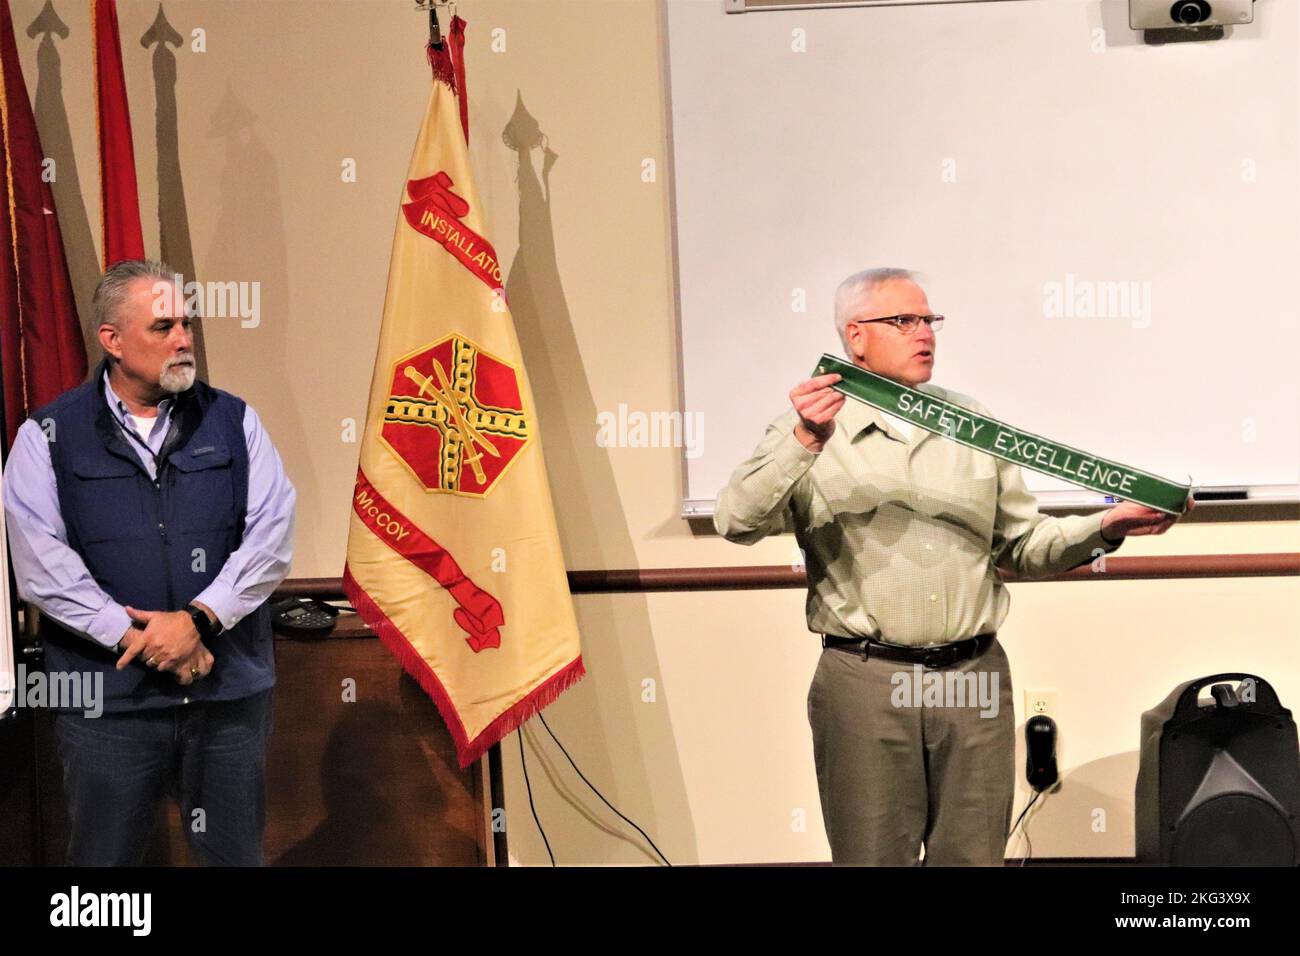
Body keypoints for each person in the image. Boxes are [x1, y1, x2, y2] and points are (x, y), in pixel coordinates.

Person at [714, 267, 1191, 865]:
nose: (925, 334)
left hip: (974, 674)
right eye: (903, 320)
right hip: (866, 681)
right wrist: (806, 439)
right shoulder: (809, 429)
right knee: (871, 856)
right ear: (855, 336)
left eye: (929, 320)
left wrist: (1105, 528)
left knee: (972, 856)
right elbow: (737, 521)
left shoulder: (972, 425)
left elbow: (1022, 546)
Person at [2, 259, 295, 865]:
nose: (184, 340)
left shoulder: (234, 419)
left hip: (226, 694)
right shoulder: (48, 434)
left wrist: (197, 620)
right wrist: (142, 637)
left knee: (235, 857)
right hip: (109, 702)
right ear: (111, 340)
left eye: (186, 324)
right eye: (164, 327)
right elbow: (41, 566)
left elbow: (272, 536)